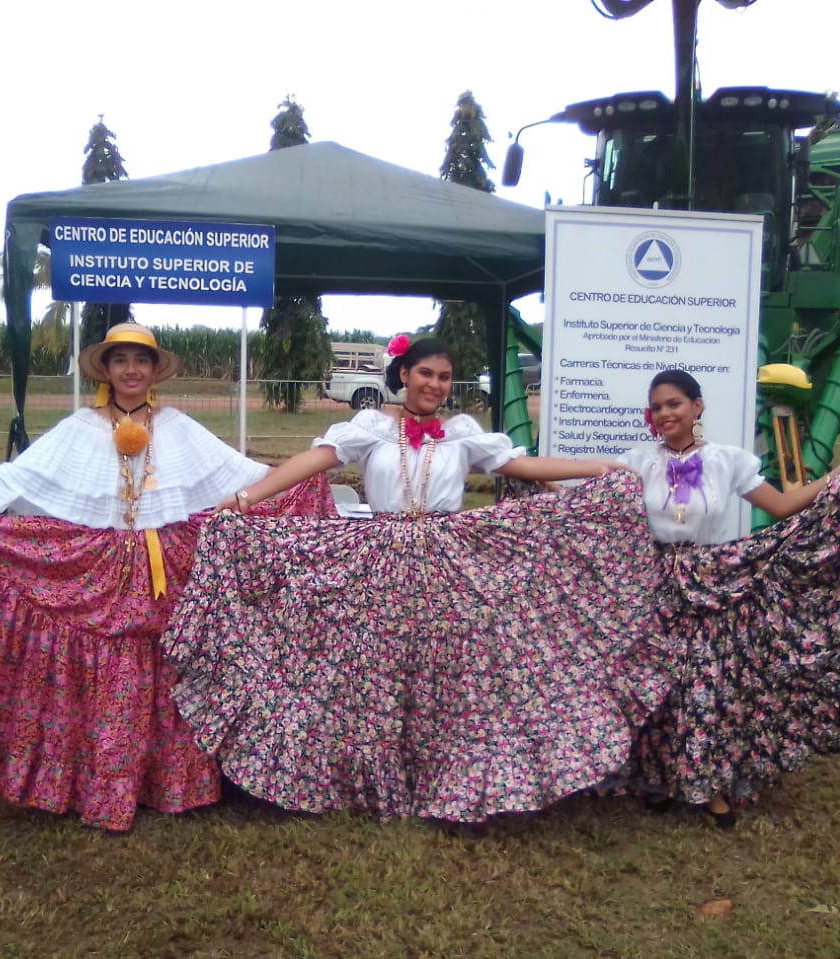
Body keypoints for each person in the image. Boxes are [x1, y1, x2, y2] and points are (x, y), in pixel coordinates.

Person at [0, 323, 332, 831]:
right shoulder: (80, 427)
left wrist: (304, 473)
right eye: (120, 360)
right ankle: (98, 782)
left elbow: (244, 475)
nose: (130, 370)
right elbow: (15, 477)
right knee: (108, 664)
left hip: (168, 561)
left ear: (153, 371)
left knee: (166, 663)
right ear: (106, 369)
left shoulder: (178, 427)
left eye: (140, 361)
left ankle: (171, 781)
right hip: (95, 562)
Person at [162, 335, 663, 823]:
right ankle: (367, 781)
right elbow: (312, 462)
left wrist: (598, 469)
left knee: (446, 675)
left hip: (449, 564)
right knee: (374, 676)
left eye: (444, 377)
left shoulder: (463, 432)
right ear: (403, 374)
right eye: (426, 373)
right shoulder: (370, 427)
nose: (435, 384)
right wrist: (247, 499)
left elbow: (521, 464)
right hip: (380, 564)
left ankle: (447, 780)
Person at [613, 368, 840, 829]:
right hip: (652, 584)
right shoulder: (637, 462)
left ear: (697, 407)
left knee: (708, 685)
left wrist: (839, 476)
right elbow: (590, 505)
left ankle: (709, 786)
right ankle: (661, 777)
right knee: (661, 682)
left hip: (713, 580)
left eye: (674, 403)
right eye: (657, 407)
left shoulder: (729, 461)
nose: (665, 413)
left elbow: (780, 507)